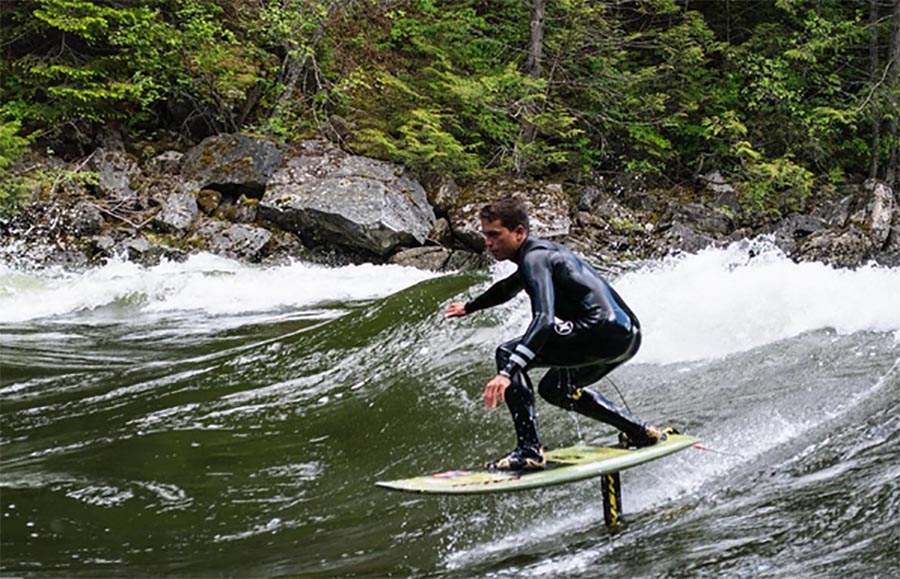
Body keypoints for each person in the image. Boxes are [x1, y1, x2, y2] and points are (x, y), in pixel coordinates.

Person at [445, 197, 665, 471]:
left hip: (599, 330)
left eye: (494, 235)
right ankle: (638, 431)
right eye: (485, 235)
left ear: (519, 233)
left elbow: (545, 319)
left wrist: (507, 372)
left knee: (506, 352)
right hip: (627, 335)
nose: (488, 243)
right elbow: (507, 288)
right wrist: (469, 306)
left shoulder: (534, 258)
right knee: (556, 389)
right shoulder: (539, 256)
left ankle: (529, 451)